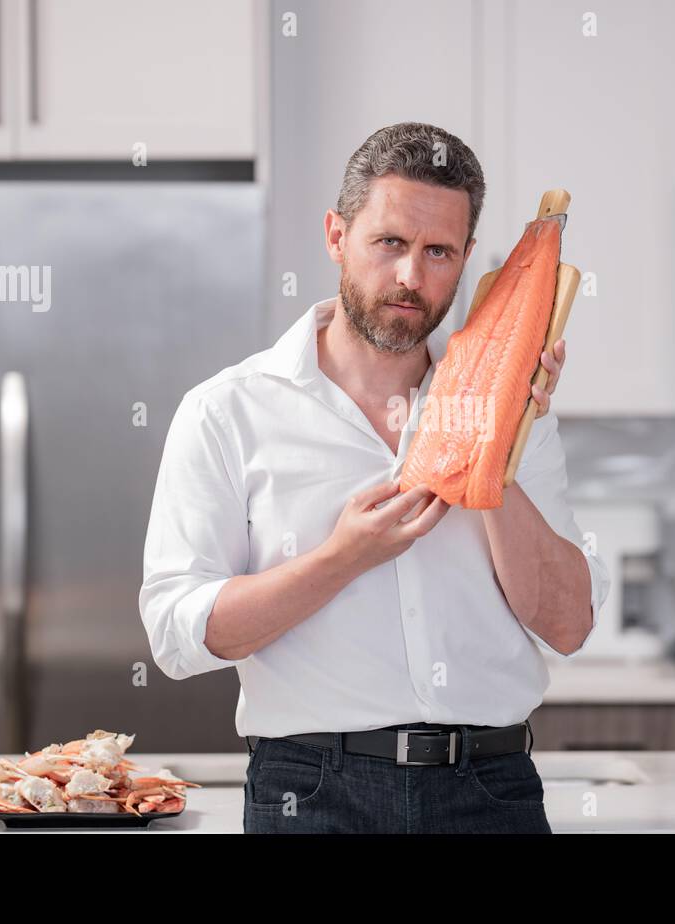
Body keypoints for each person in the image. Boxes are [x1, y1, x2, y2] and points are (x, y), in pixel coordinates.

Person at [139, 121, 609, 833]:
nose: (411, 278)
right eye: (389, 242)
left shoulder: (514, 411)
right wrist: (339, 560)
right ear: (337, 236)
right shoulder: (228, 412)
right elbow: (176, 637)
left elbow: (569, 625)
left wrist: (489, 440)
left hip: (491, 787)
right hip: (312, 791)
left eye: (438, 252)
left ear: (466, 259)